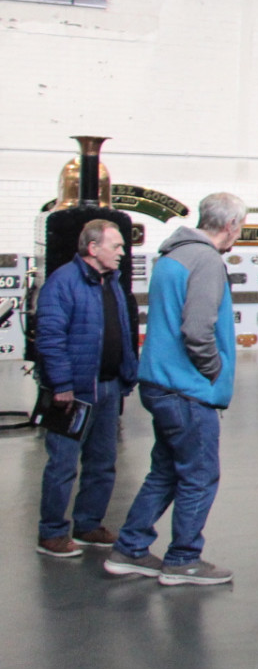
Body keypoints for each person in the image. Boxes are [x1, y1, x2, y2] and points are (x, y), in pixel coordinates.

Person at [105, 192, 244, 587]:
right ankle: (183, 558)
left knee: (165, 471)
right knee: (200, 474)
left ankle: (129, 549)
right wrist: (214, 373)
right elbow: (197, 330)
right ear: (231, 226)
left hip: (159, 384)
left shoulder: (173, 255)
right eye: (240, 226)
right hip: (185, 390)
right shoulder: (205, 260)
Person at [34, 219, 137, 558]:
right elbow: (50, 338)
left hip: (107, 389)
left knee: (103, 462)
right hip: (73, 395)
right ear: (93, 249)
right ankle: (51, 534)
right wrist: (61, 384)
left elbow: (122, 331)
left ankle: (89, 525)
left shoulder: (113, 283)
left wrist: (127, 375)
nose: (123, 252)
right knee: (62, 465)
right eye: (116, 246)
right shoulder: (62, 283)